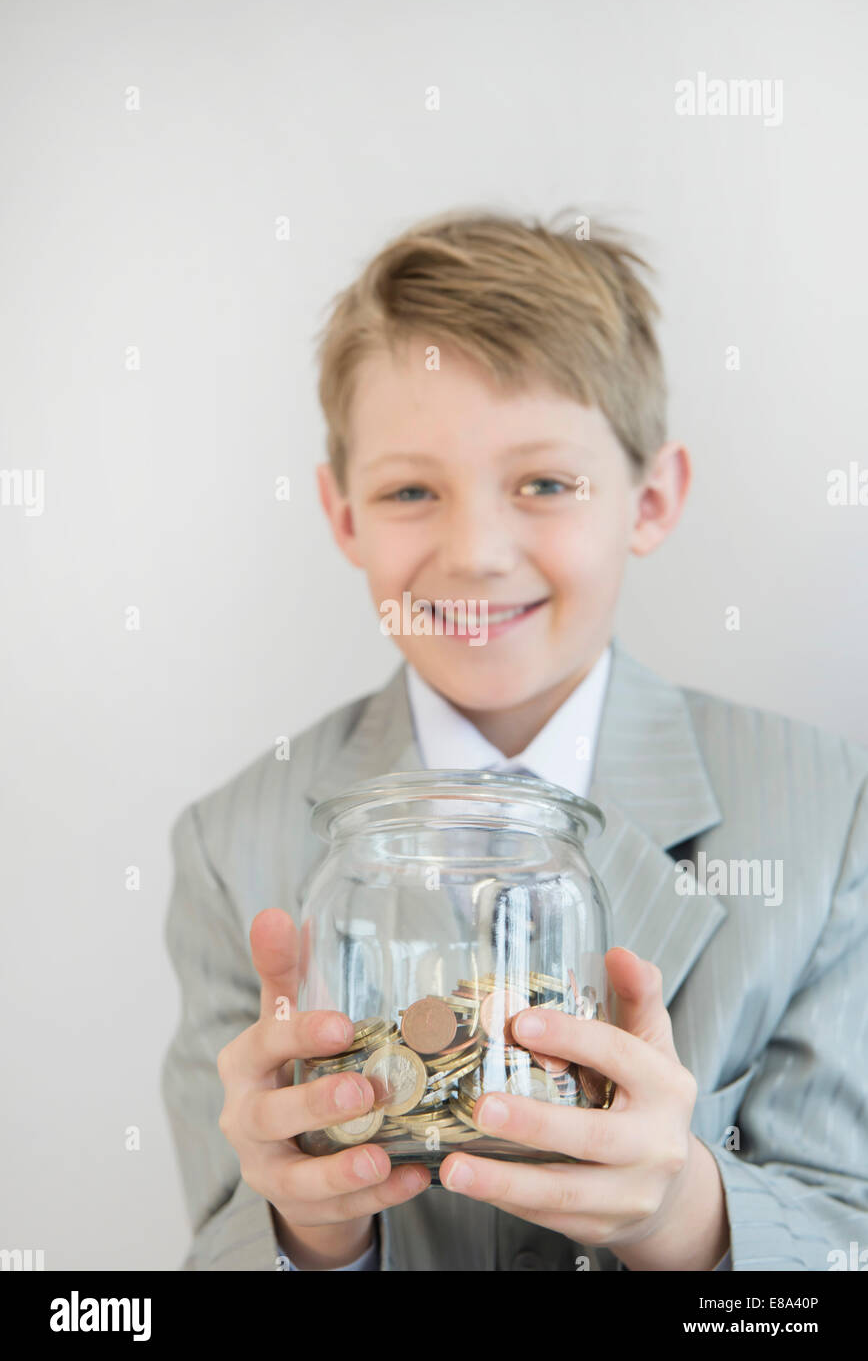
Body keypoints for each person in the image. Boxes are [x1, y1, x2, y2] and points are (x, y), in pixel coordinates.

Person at [161, 209, 868, 1271]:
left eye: (543, 483)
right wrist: (307, 1228)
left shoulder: (822, 806)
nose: (478, 552)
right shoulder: (234, 844)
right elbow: (219, 1236)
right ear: (343, 516)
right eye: (410, 491)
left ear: (652, 496)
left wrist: (680, 1213)